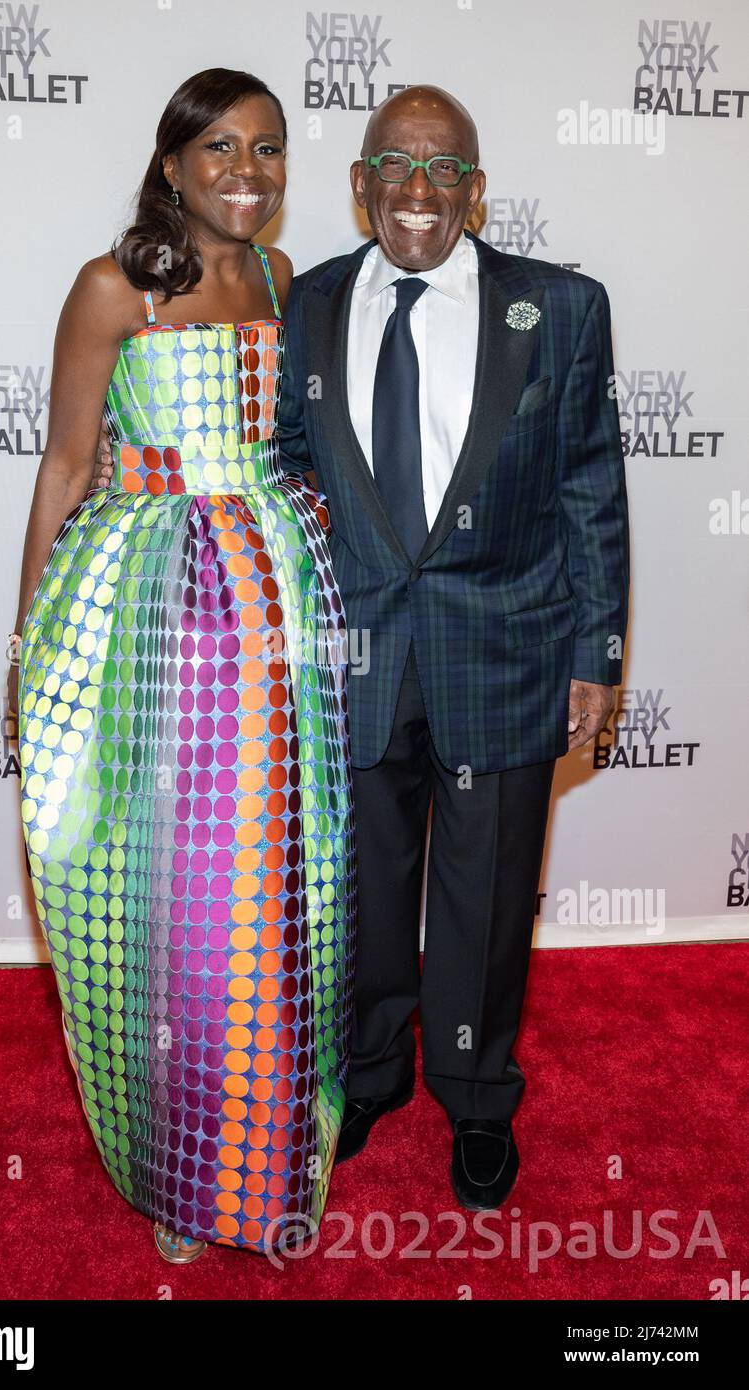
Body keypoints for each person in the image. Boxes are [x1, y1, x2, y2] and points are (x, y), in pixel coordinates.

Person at [7, 68, 356, 1264]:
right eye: (217, 148)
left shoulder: (279, 277)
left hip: (266, 597)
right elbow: (63, 466)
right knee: (169, 898)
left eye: (265, 149)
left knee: (267, 886)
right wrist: (28, 645)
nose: (244, 172)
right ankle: (177, 1164)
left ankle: (261, 1152)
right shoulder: (113, 288)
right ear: (170, 164)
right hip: (149, 608)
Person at [276, 87, 630, 1210]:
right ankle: (372, 1074)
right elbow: (285, 473)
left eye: (442, 171)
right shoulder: (310, 305)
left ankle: (476, 1095)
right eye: (393, 165)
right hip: (355, 652)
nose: (416, 192)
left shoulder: (559, 308)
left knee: (482, 900)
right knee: (364, 888)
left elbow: (590, 483)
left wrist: (596, 648)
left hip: (509, 648)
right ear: (361, 184)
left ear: (475, 191)